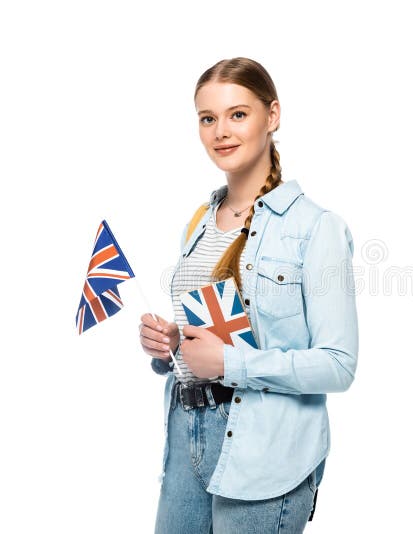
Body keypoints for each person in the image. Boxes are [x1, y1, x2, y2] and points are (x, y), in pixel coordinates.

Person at [138, 57, 359, 533]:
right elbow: (217, 331)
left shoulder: (316, 228)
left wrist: (229, 363)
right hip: (185, 433)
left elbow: (338, 365)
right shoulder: (201, 221)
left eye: (238, 114)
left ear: (272, 116)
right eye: (208, 118)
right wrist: (173, 343)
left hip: (267, 451)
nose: (221, 131)